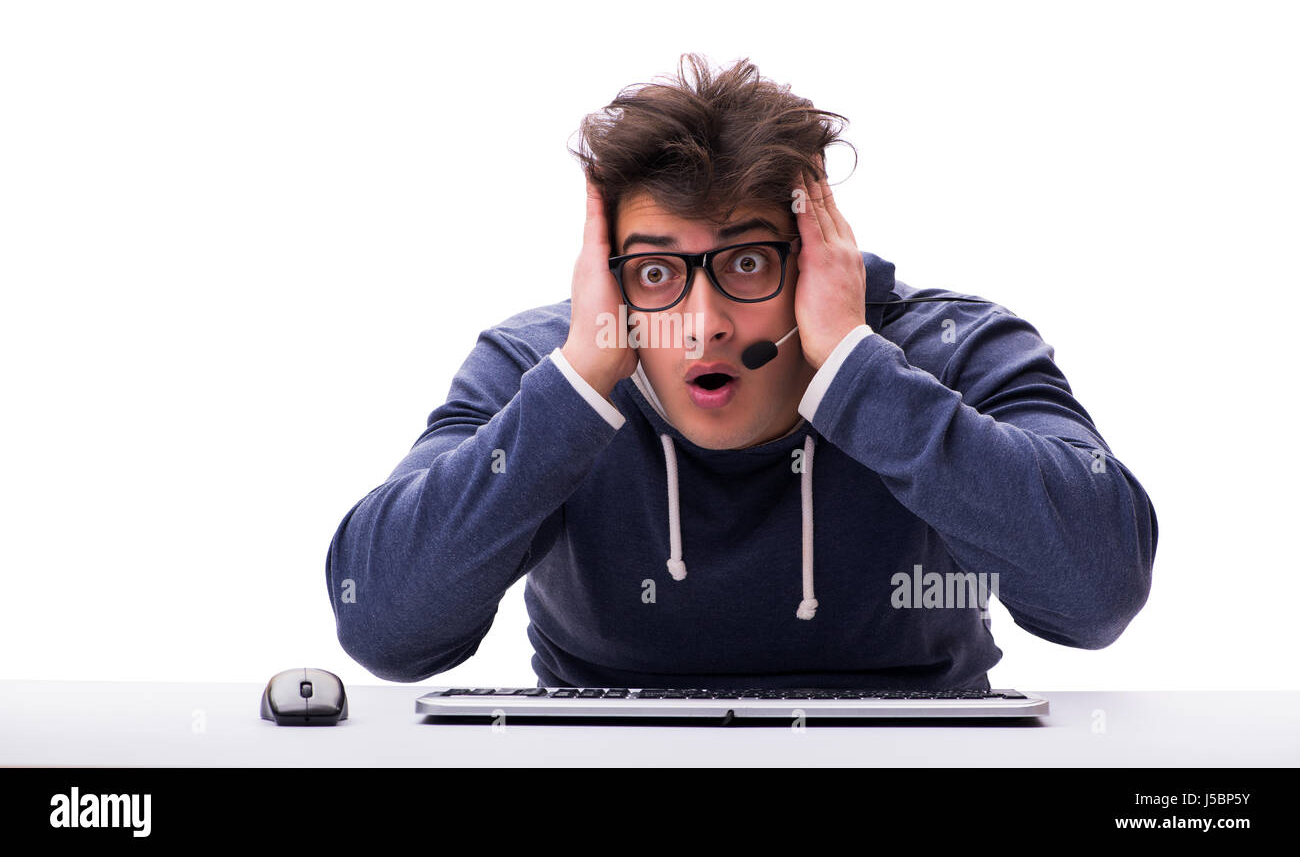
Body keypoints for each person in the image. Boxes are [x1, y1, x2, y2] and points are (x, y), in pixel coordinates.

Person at [325, 54, 1158, 690]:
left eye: (749, 263)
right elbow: (383, 624)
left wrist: (859, 372)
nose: (706, 321)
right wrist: (578, 384)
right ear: (608, 279)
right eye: (656, 273)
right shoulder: (544, 368)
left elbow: (1096, 595)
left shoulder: (953, 347)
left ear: (818, 261)